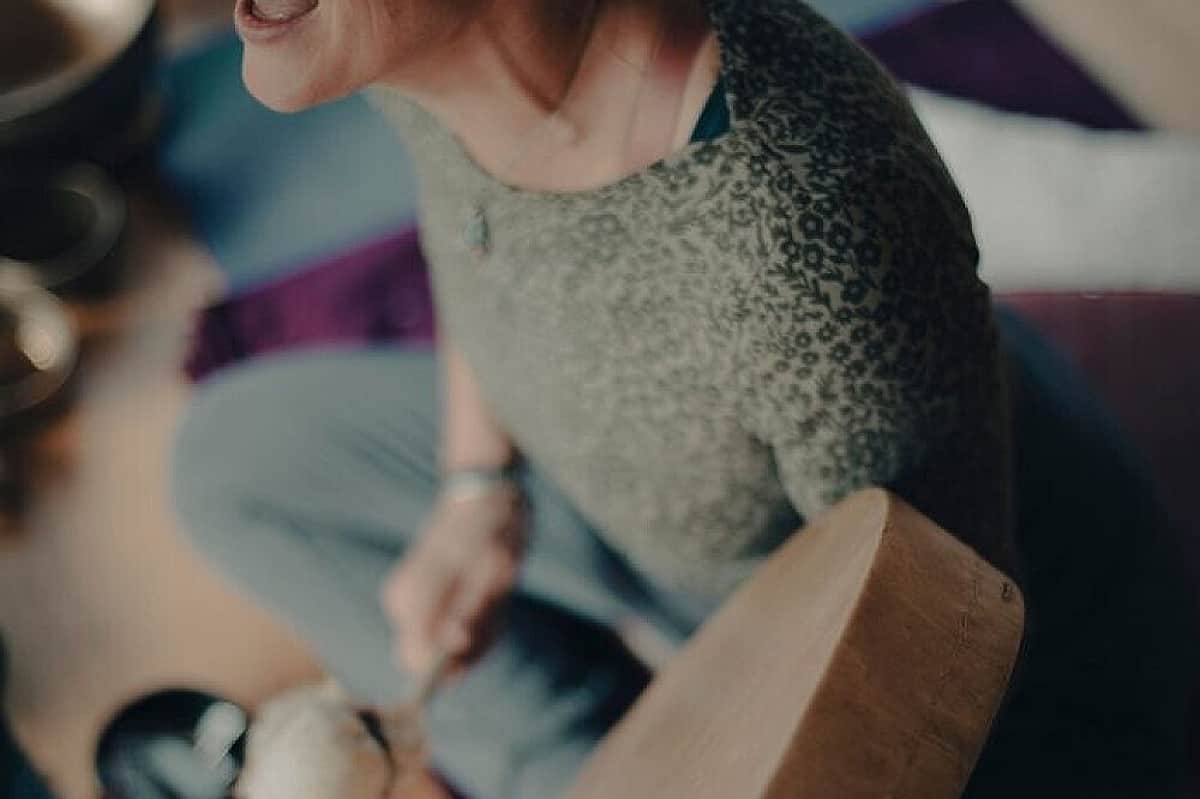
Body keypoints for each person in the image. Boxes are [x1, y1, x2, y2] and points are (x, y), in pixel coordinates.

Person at [171, 0, 1195, 796]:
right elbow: (475, 230)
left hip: (920, 637)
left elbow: (935, 659)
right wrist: (478, 490)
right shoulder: (425, 51)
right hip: (643, 489)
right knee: (232, 461)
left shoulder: (803, 224)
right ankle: (578, 752)